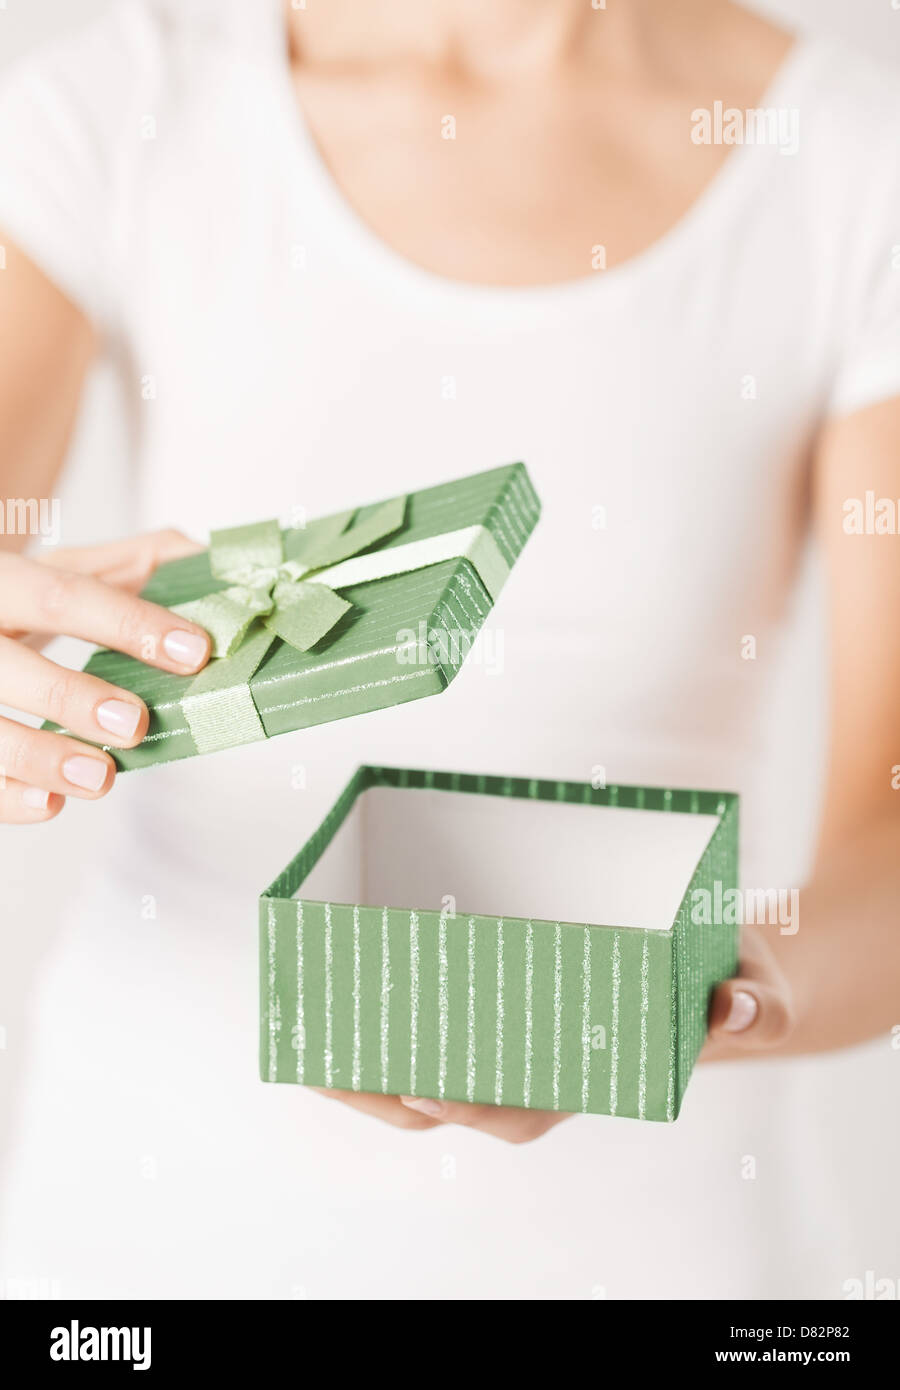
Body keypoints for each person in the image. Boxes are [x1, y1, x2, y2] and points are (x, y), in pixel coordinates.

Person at [0, 0, 898, 1299]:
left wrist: (683, 992)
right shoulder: (125, 103)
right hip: (148, 1235)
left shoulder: (850, 158)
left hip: (657, 1251)